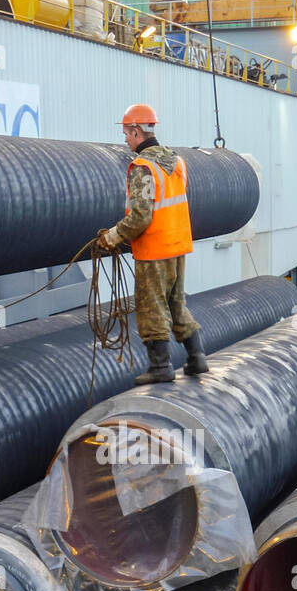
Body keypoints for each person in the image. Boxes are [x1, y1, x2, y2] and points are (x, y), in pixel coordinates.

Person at [97, 104, 209, 384]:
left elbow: (141, 216)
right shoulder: (177, 162)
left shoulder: (143, 168)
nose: (125, 139)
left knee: (151, 307)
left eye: (126, 133)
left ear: (137, 132)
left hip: (154, 250)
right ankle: (197, 358)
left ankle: (160, 367)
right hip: (177, 245)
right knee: (176, 303)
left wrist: (111, 237)